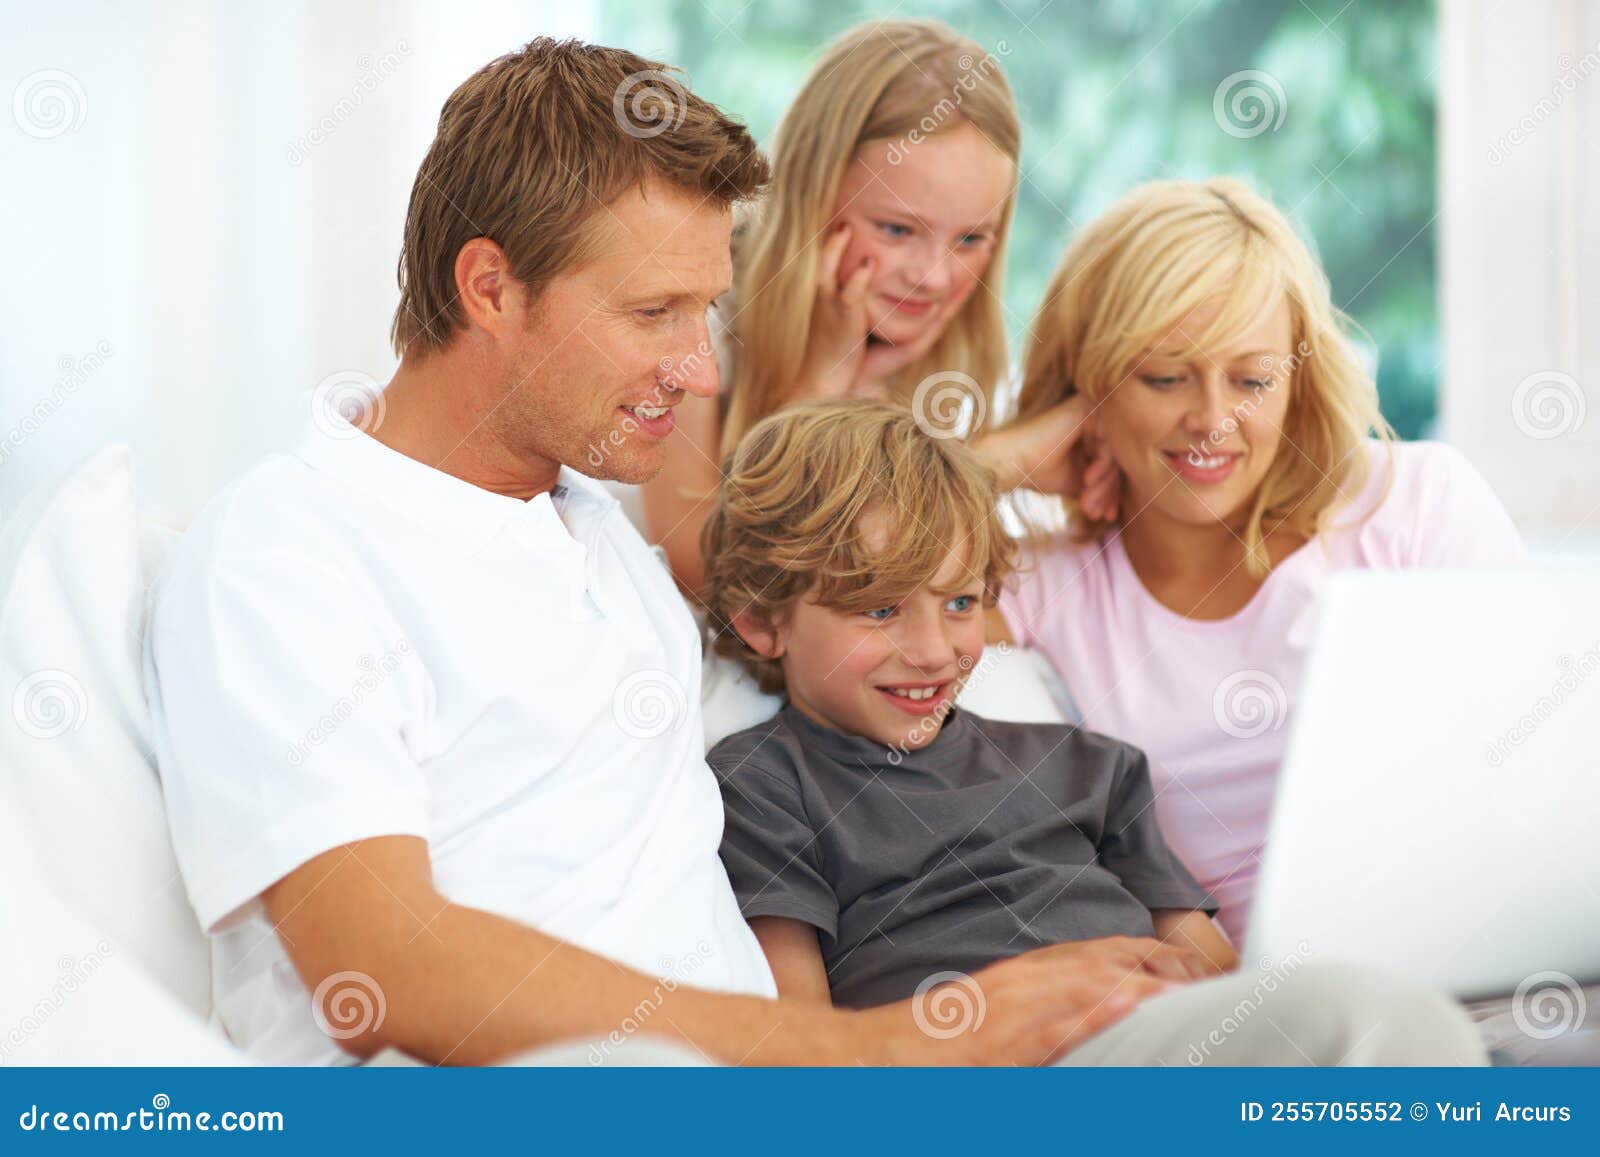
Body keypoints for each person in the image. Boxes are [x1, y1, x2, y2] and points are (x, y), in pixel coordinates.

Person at [143, 37, 1162, 1068]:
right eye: (652, 313)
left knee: (1318, 1020)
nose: (699, 371)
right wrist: (875, 1049)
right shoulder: (289, 553)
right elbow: (386, 973)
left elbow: (843, 587)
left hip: (778, 1083)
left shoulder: (594, 530)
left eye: (705, 311)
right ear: (489, 288)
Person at [699, 399, 1486, 1065]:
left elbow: (1211, 972)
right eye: (880, 609)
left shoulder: (1083, 764)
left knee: (1390, 1032)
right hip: (973, 1069)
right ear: (762, 622)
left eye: (962, 602)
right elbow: (804, 1042)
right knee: (1385, 1026)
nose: (935, 649)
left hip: (1145, 1041)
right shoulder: (764, 781)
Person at [991, 178, 1527, 945]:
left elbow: (1545, 761)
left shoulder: (1414, 505)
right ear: (1089, 387)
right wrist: (994, 461)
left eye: (1252, 379)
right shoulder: (1055, 583)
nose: (1214, 420)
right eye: (1165, 376)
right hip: (1275, 1015)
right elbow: (805, 580)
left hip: (1482, 944)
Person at [642, 19, 1117, 592]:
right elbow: (714, 578)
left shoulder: (956, 361)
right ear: (811, 198)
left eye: (972, 239)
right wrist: (825, 383)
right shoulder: (701, 316)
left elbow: (889, 580)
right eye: (895, 229)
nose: (935, 278)